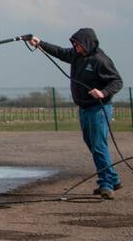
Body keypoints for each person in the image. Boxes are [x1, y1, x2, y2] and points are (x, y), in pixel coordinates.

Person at [28, 29, 124, 199]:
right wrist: (40, 43)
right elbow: (60, 52)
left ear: (87, 43)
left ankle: (106, 185)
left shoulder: (100, 60)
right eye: (74, 44)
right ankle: (113, 178)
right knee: (92, 145)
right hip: (84, 108)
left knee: (99, 147)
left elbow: (117, 81)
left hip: (99, 109)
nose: (75, 47)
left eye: (77, 45)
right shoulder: (76, 55)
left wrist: (103, 92)